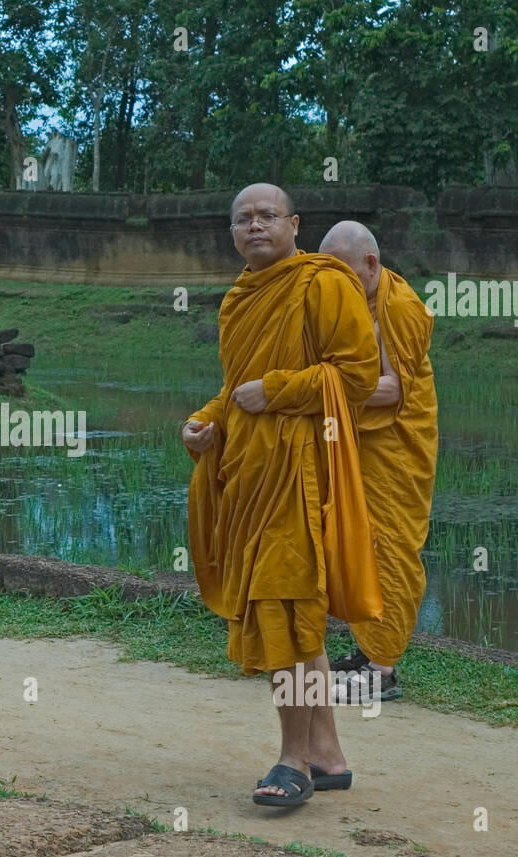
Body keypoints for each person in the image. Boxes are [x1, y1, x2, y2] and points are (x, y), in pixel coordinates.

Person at [183, 184, 380, 806]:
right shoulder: (239, 298)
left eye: (268, 216)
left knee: (284, 615)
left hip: (300, 476)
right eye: (243, 219)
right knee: (298, 622)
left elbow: (357, 375)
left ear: (294, 223)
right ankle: (326, 754)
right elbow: (233, 387)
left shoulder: (322, 283)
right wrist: (206, 421)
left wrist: (277, 389)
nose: (255, 226)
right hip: (249, 472)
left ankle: (292, 760)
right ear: (232, 233)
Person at [318, 221, 439, 702]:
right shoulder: (352, 296)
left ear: (371, 264)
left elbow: (392, 389)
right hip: (356, 441)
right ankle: (367, 651)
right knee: (354, 542)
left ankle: (384, 671)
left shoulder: (400, 308)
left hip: (395, 445)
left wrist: (325, 387)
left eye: (344, 272)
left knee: (390, 546)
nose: (337, 283)